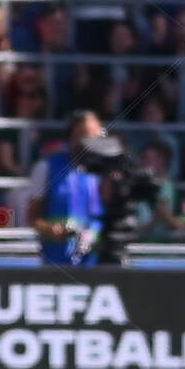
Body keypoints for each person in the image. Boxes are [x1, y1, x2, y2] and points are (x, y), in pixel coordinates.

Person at [29, 110, 105, 266]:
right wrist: (49, 229)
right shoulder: (46, 167)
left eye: (95, 135)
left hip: (95, 263)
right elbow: (31, 216)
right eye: (83, 134)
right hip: (56, 261)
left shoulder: (106, 173)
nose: (90, 140)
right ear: (71, 136)